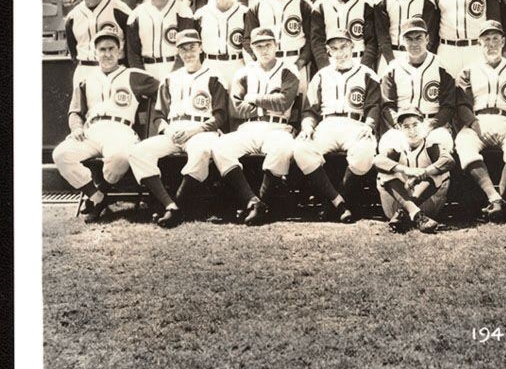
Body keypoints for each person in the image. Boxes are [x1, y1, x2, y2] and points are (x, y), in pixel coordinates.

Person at [52, 27, 159, 223]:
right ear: (95, 52)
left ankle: (100, 194)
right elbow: (75, 111)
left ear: (119, 51)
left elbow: (165, 89)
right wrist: (76, 127)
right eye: (102, 49)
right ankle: (97, 196)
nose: (107, 54)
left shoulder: (133, 75)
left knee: (120, 156)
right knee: (60, 154)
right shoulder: (86, 79)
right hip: (91, 131)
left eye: (111, 49)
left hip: (121, 130)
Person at [127, 29, 228, 228]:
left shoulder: (214, 77)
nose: (188, 53)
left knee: (202, 151)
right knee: (137, 152)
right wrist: (167, 130)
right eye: (183, 49)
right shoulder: (170, 78)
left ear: (201, 48)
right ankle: (170, 204)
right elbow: (158, 116)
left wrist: (194, 131)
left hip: (201, 130)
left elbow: (220, 116)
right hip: (174, 130)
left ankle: (177, 205)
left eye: (192, 47)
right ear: (178, 52)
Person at [211, 28, 301, 226]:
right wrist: (265, 106)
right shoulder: (244, 72)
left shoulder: (289, 70)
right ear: (252, 48)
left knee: (282, 148)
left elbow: (284, 102)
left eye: (268, 44)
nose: (264, 49)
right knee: (220, 146)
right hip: (249, 128)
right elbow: (235, 108)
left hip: (278, 127)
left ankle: (262, 202)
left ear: (276, 45)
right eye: (259, 46)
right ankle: (253, 202)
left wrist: (253, 98)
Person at [293, 29, 381, 224]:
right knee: (300, 148)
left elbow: (374, 106)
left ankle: (333, 202)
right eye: (334, 48)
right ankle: (339, 203)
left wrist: (369, 125)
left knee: (365, 151)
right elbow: (310, 110)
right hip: (327, 124)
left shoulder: (367, 74)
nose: (340, 53)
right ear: (328, 51)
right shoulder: (321, 75)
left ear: (352, 46)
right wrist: (307, 127)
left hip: (355, 123)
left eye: (344, 47)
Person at [455, 20, 506, 223]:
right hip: (478, 120)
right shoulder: (468, 70)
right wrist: (475, 125)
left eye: (495, 38)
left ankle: (499, 199)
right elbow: (462, 105)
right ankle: (494, 197)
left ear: (503, 41)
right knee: (464, 142)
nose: (491, 44)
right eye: (486, 39)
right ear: (479, 43)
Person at [379, 17, 456, 154]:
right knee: (388, 147)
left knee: (441, 144)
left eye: (418, 38)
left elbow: (448, 105)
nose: (414, 43)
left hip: (433, 124)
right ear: (402, 41)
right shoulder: (392, 69)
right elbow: (387, 106)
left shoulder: (442, 67)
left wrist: (431, 125)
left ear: (427, 39)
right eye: (409, 39)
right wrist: (400, 127)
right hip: (402, 126)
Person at [374, 108, 453, 234]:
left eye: (415, 125)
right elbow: (378, 161)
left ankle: (407, 213)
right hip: (395, 205)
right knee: (384, 171)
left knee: (440, 171)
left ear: (423, 125)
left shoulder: (430, 144)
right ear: (400, 129)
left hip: (426, 205)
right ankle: (416, 215)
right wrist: (406, 170)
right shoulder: (397, 146)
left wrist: (424, 173)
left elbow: (448, 160)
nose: (412, 131)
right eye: (406, 127)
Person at [243, 0, 313, 94]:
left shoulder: (303, 3)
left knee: (298, 104)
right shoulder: (257, 5)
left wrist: (300, 62)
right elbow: (247, 39)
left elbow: (311, 40)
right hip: (266, 66)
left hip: (295, 61)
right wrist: (259, 61)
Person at [64, 0, 132, 86]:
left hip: (116, 70)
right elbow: (73, 52)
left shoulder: (120, 9)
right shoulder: (72, 17)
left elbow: (132, 46)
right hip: (85, 70)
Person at [125, 0, 195, 81]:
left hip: (176, 70)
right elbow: (133, 55)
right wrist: (144, 80)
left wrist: (173, 78)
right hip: (147, 70)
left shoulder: (182, 10)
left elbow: (187, 48)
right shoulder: (136, 14)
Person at [310, 0, 379, 72]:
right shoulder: (320, 5)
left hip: (359, 60)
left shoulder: (367, 4)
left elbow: (372, 41)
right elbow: (317, 42)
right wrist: (326, 70)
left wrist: (363, 69)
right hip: (331, 64)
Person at [193, 0, 250, 89]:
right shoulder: (200, 14)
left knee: (236, 101)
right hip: (210, 65)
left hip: (237, 65)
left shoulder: (245, 13)